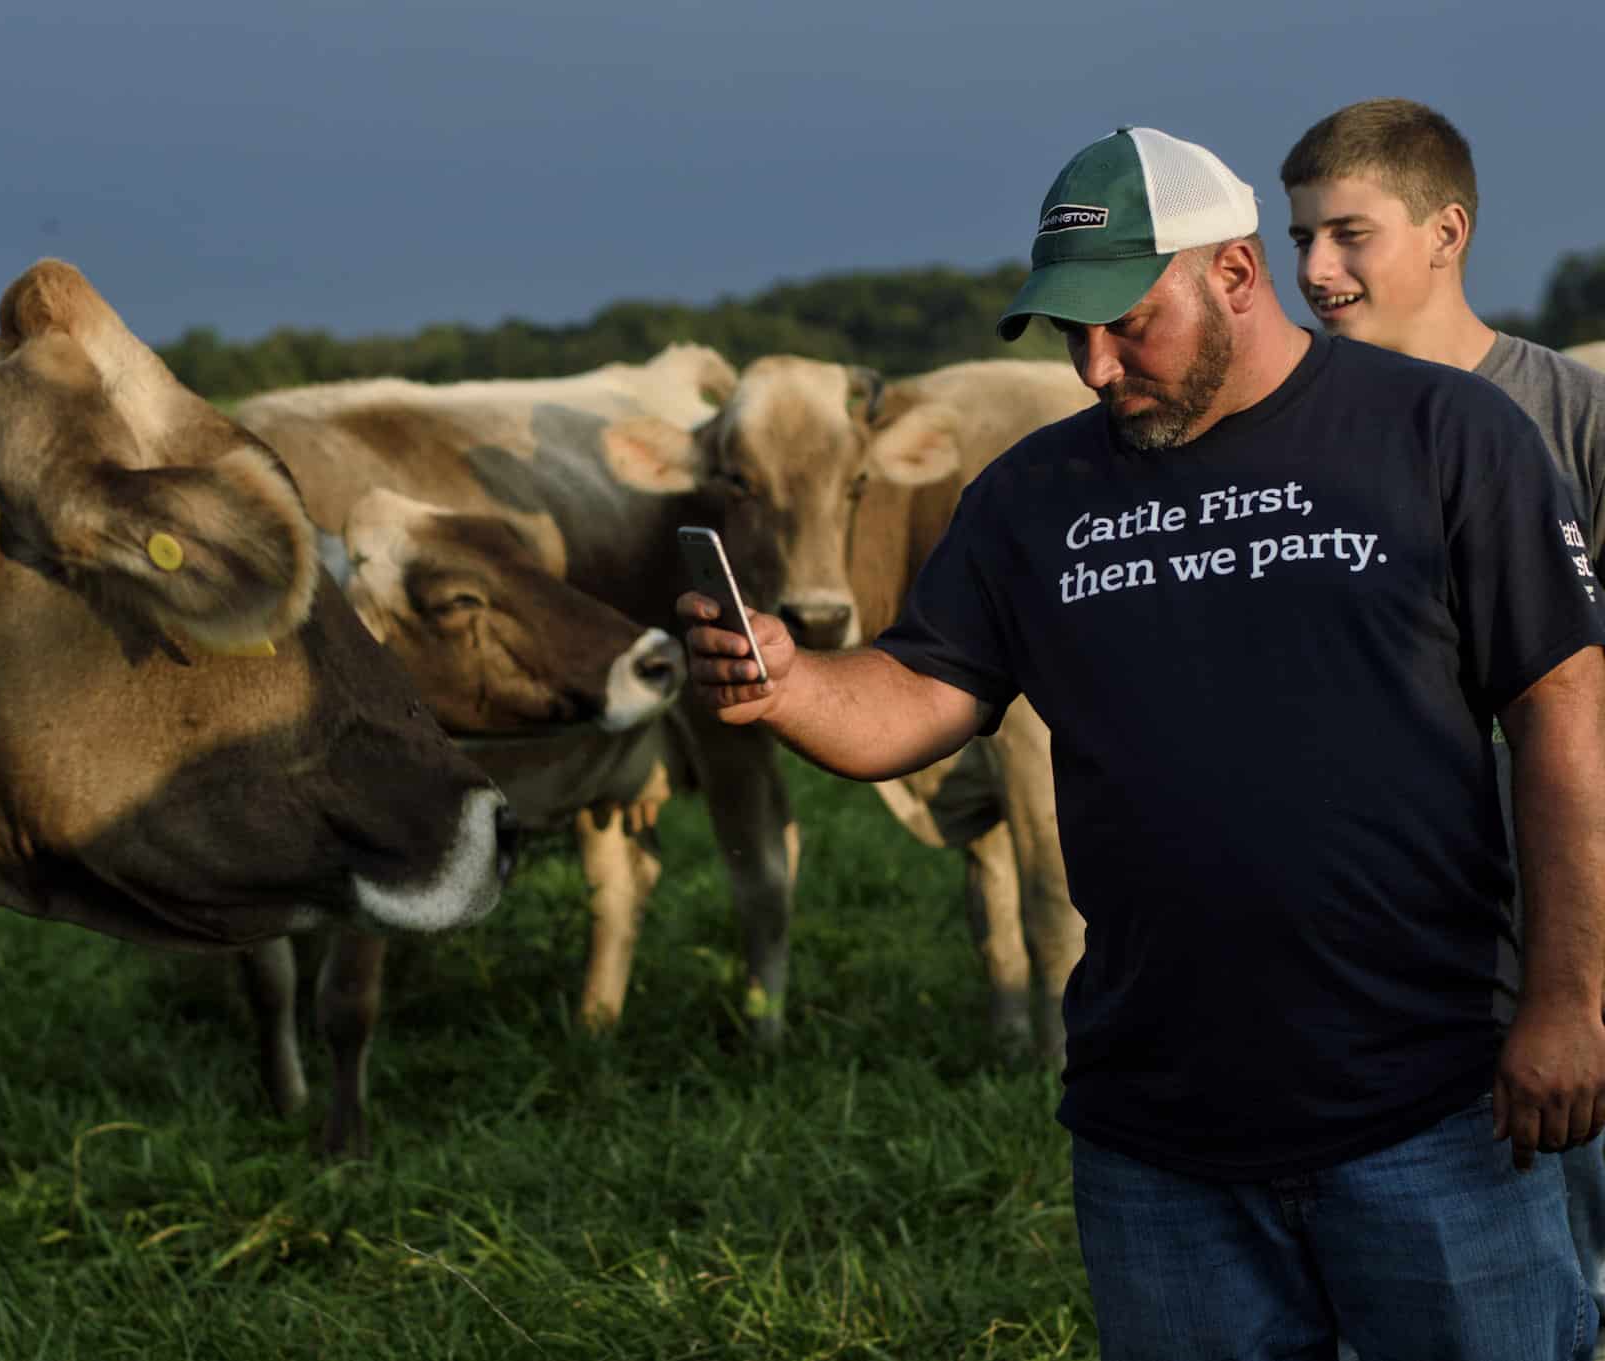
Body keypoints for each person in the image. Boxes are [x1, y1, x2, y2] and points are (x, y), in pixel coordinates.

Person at [680, 125, 1605, 1359]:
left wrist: (1565, 998)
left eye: (1125, 321)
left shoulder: (1443, 434)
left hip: (1429, 1108)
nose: (1095, 366)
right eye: (1069, 332)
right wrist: (788, 686)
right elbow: (916, 692)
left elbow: (1560, 711)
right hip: (1155, 1139)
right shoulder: (1030, 495)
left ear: (1232, 272)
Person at [1281, 95, 1605, 1355]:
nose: (1313, 268)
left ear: (1444, 231)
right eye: (1300, 235)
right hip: (1368, 969)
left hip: (1565, 940)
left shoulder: (1571, 416)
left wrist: (1573, 976)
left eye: (1346, 234)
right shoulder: (1283, 440)